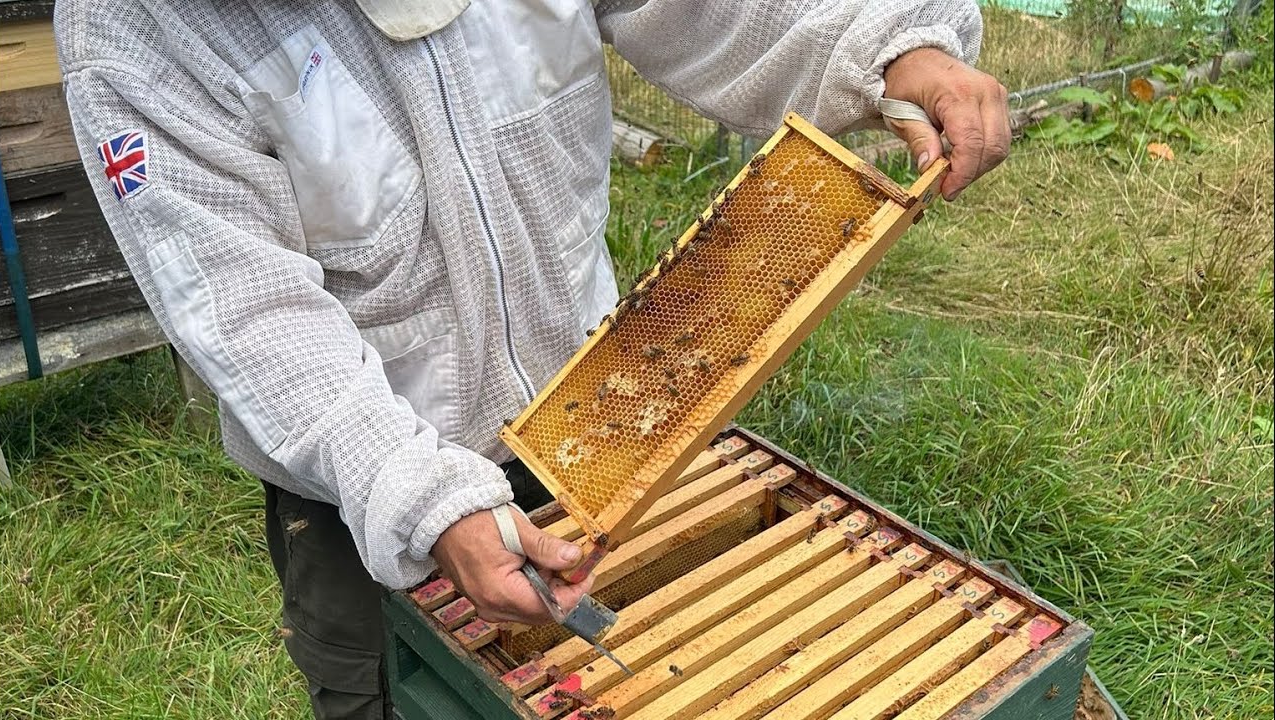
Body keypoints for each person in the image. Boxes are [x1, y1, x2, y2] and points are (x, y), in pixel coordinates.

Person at [54, 0, 1010, 716]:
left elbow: (710, 9)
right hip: (365, 482)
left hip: (611, 420)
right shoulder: (136, 31)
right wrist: (421, 500)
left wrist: (893, 47)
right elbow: (247, 308)